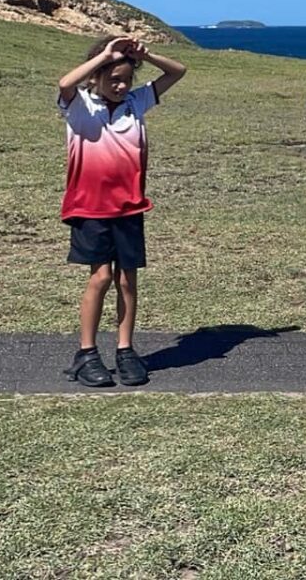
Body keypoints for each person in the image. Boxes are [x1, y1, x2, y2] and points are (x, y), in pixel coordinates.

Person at [56, 35, 186, 388]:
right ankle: (86, 353)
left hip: (129, 207)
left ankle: (125, 350)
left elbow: (178, 71)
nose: (121, 86)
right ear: (96, 77)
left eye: (127, 79)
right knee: (100, 278)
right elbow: (65, 83)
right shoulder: (80, 104)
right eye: (113, 79)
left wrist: (147, 55)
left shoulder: (136, 102)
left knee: (127, 280)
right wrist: (105, 56)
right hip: (90, 208)